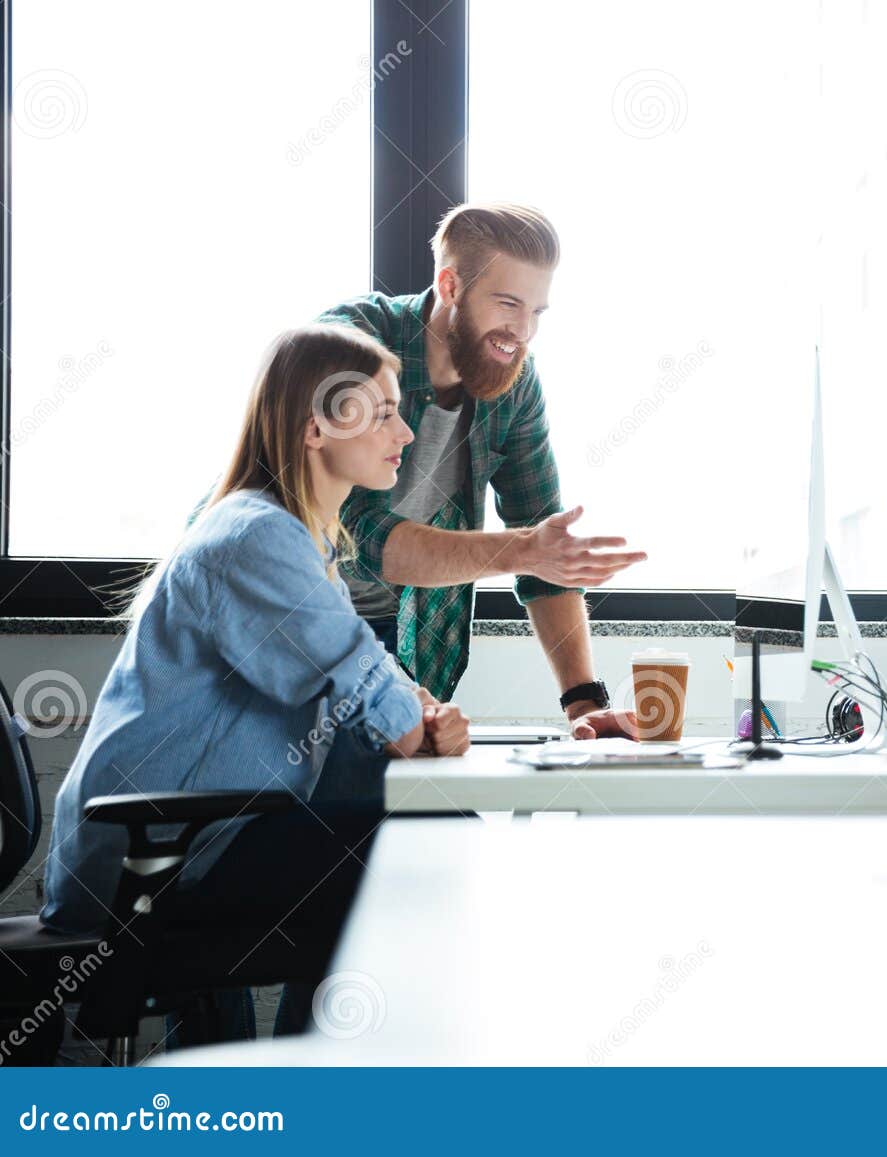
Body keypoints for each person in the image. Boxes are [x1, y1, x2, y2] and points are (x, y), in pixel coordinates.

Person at [42, 324, 468, 1039]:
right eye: (383, 413)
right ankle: (315, 1078)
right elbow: (373, 695)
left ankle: (308, 1075)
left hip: (193, 840)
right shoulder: (256, 536)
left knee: (404, 838)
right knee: (430, 844)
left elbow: (365, 680)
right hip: (157, 861)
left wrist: (418, 712)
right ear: (314, 429)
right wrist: (414, 721)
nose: (405, 431)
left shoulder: (294, 539)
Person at [316, 202, 645, 734]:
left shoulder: (515, 381)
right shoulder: (354, 343)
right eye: (508, 304)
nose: (523, 330)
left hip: (393, 635)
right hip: (292, 621)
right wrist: (524, 550)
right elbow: (355, 536)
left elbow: (542, 538)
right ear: (450, 286)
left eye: (537, 312)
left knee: (429, 776)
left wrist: (584, 705)